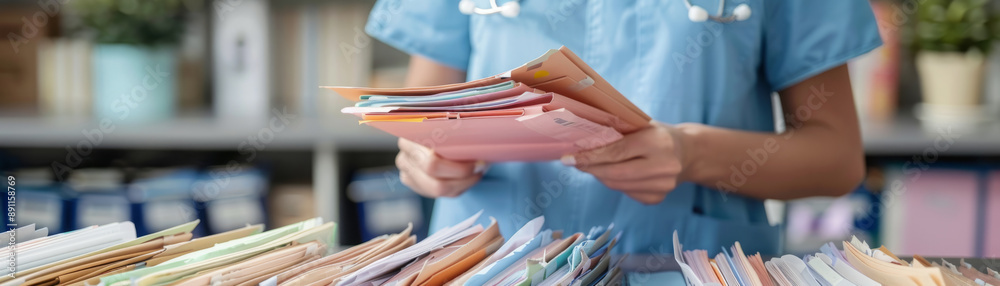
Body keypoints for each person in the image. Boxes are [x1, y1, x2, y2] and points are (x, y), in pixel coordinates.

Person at [365, 0, 881, 256]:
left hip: (689, 264)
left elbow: (835, 158)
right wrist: (426, 158)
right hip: (487, 260)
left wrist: (693, 153)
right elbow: (424, 124)